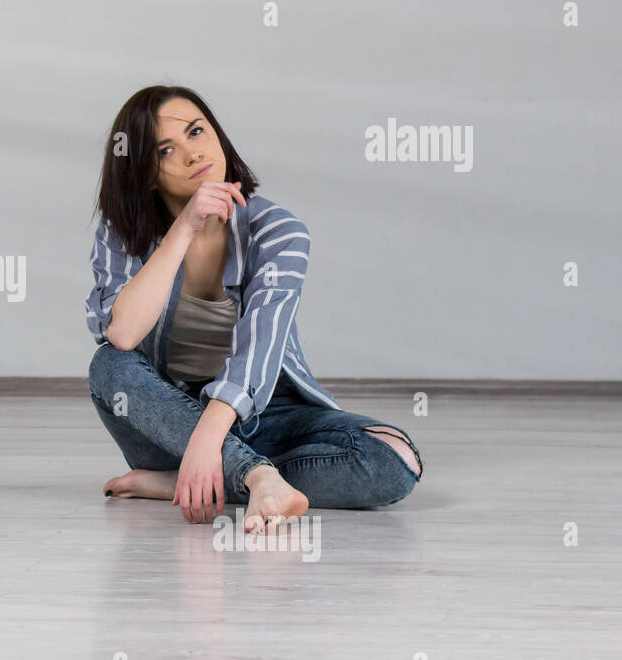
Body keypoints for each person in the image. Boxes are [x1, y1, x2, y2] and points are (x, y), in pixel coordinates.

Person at [84, 85, 423, 533]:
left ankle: (191, 479)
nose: (192, 154)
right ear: (147, 173)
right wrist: (184, 228)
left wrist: (210, 440)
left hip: (261, 414)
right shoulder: (120, 231)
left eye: (198, 132)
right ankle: (255, 476)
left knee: (393, 461)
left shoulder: (280, 232)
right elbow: (123, 334)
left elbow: (262, 346)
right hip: (165, 422)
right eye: (167, 149)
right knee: (109, 366)